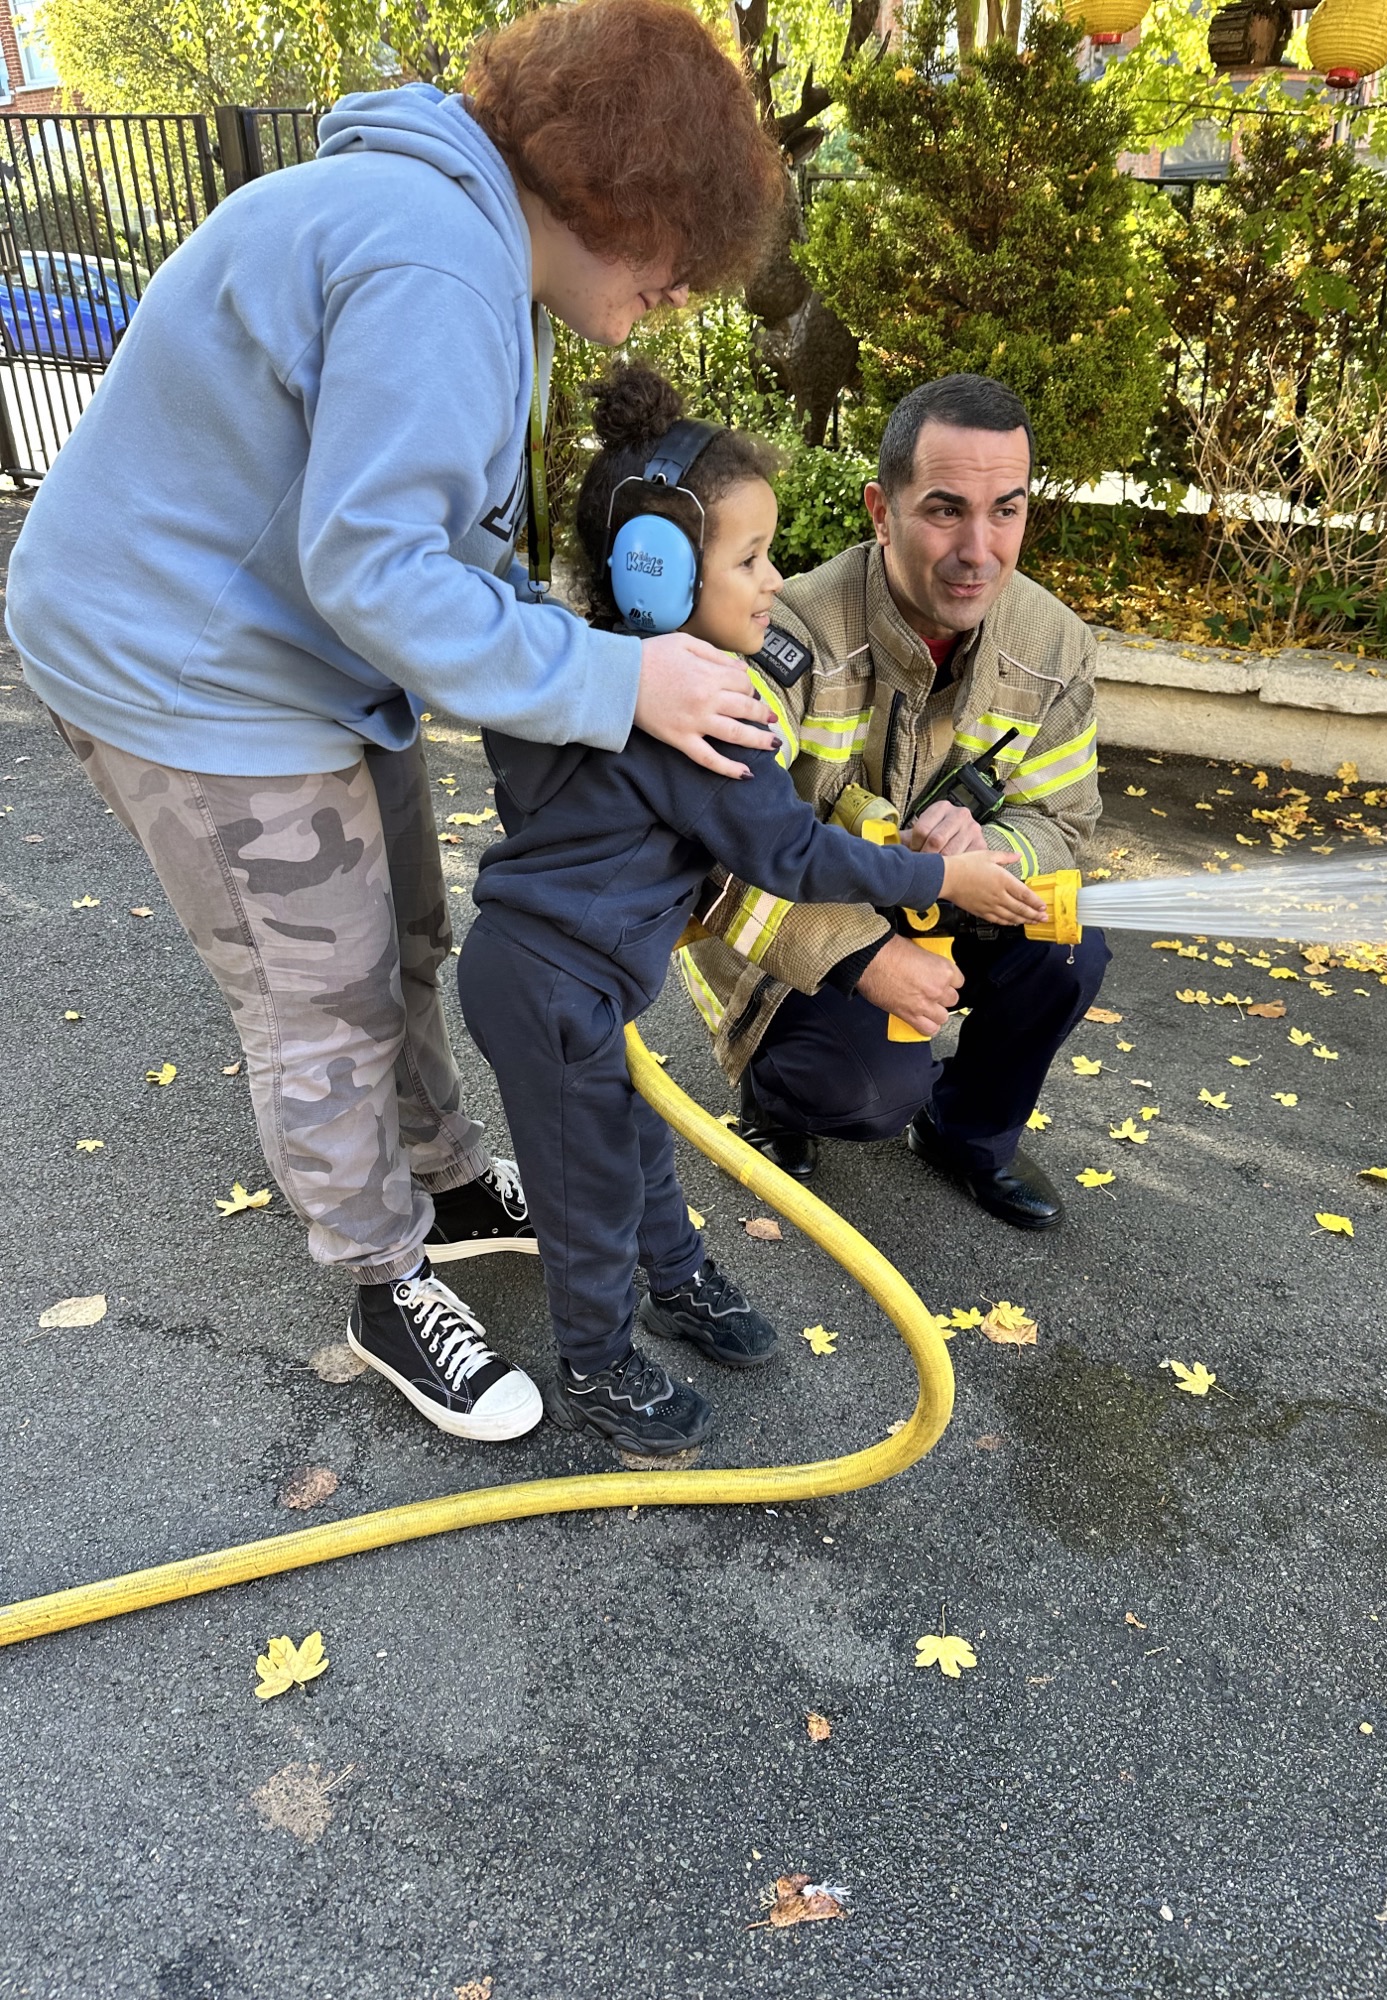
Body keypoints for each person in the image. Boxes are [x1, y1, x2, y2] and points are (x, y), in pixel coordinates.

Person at [3, 0, 787, 1444]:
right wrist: (622, 680)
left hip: (292, 643)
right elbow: (378, 571)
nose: (682, 290)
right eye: (680, 252)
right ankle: (382, 1280)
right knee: (321, 994)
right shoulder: (435, 260)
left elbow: (436, 540)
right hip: (186, 669)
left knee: (408, 932)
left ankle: (441, 1177)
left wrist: (577, 661)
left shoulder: (470, 241)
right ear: (619, 190)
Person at [453, 364, 1047, 1456]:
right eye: (750, 558)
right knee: (587, 1188)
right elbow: (792, 854)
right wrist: (939, 881)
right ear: (656, 570)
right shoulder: (707, 716)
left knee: (636, 1137)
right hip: (556, 987)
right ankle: (596, 1366)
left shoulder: (575, 673)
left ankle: (678, 1277)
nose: (776, 581)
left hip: (551, 974)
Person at [680, 373, 1111, 1231]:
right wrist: (865, 956)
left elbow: (1064, 823)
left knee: (1070, 947)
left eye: (1006, 510)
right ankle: (776, 1092)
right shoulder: (789, 634)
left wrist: (994, 852)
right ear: (881, 512)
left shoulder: (1056, 644)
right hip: (791, 917)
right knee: (865, 1092)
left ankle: (966, 1133)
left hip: (937, 898)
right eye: (946, 510)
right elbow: (713, 846)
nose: (979, 551)